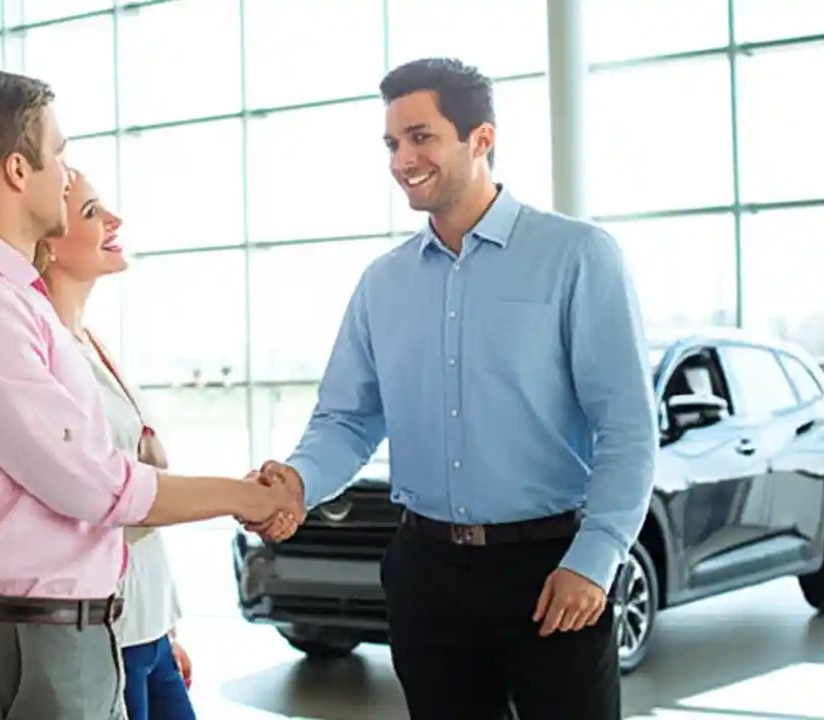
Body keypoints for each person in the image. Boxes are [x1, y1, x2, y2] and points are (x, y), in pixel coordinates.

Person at [252, 57, 658, 719]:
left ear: (482, 140)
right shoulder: (382, 283)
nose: (402, 158)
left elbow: (628, 427)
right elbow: (347, 420)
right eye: (391, 143)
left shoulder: (579, 257)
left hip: (551, 566)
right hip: (426, 573)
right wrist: (296, 483)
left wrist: (596, 557)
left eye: (420, 136)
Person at [0, 69, 298, 720]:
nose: (65, 171)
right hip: (29, 650)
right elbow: (91, 484)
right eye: (59, 153)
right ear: (18, 171)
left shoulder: (5, 297)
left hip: (62, 638)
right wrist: (247, 497)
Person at [32, 168, 196, 720]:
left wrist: (167, 629)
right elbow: (98, 496)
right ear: (47, 243)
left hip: (147, 629)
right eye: (91, 213)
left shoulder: (91, 340)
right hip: (107, 635)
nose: (113, 220)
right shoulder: (43, 352)